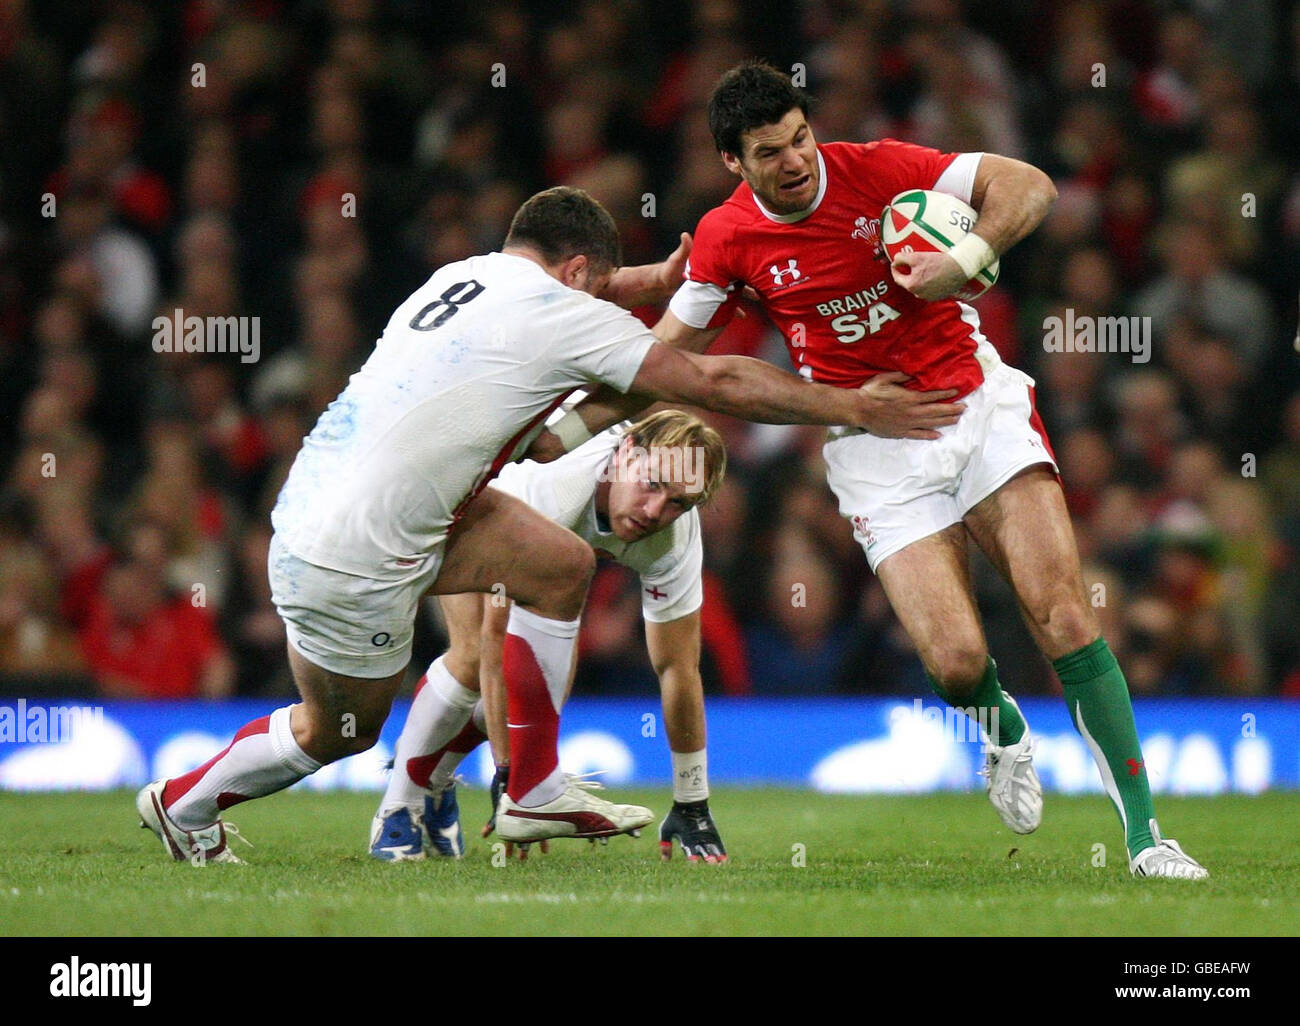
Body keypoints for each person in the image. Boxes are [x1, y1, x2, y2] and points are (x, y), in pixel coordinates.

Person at [540, 63, 1206, 879]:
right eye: (769, 151)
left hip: (975, 406)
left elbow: (1028, 184)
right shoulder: (726, 238)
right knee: (956, 664)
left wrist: (970, 254)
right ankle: (999, 729)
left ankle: (1146, 839)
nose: (795, 160)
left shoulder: (882, 168)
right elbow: (667, 358)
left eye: (800, 138)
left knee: (1063, 612)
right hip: (876, 449)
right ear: (732, 163)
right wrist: (560, 429)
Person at [135, 185, 913, 864]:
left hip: (316, 509)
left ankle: (526, 784)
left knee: (560, 566)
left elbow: (561, 309)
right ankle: (184, 801)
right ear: (578, 276)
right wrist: (850, 406)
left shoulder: (464, 277)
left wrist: (645, 281)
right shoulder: (562, 318)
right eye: (599, 287)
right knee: (338, 730)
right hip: (361, 552)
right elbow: (709, 376)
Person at [369, 409, 729, 864]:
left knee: (538, 677)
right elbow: (495, 642)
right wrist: (513, 776)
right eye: (652, 484)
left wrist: (692, 801)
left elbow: (678, 667)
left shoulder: (674, 538)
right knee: (471, 659)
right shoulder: (554, 482)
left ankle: (435, 779)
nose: (657, 511)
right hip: (465, 487)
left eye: (678, 502)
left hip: (537, 536)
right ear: (624, 455)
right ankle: (398, 808)